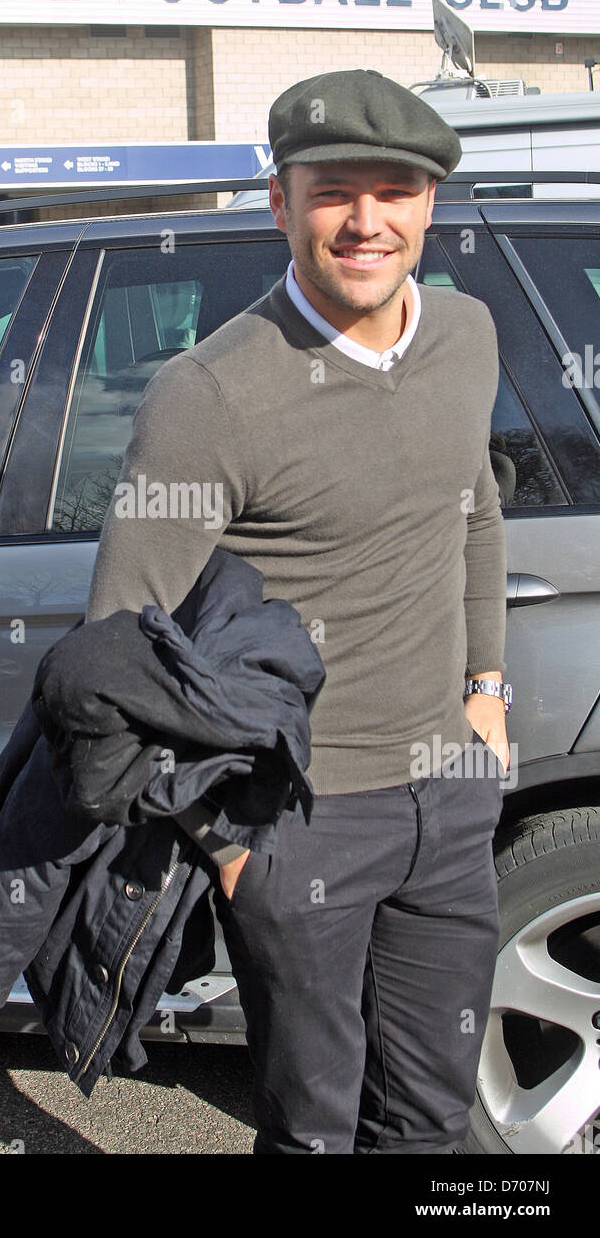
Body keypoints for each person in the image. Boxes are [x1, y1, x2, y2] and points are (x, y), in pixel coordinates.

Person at [84, 68, 510, 1154]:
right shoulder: (211, 392)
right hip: (299, 818)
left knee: (429, 1118)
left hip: (448, 800)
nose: (365, 222)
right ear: (278, 202)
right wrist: (228, 842)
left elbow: (473, 511)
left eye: (394, 191)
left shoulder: (466, 334)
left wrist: (485, 693)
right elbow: (117, 655)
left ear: (429, 205)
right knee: (313, 1126)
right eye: (331, 192)